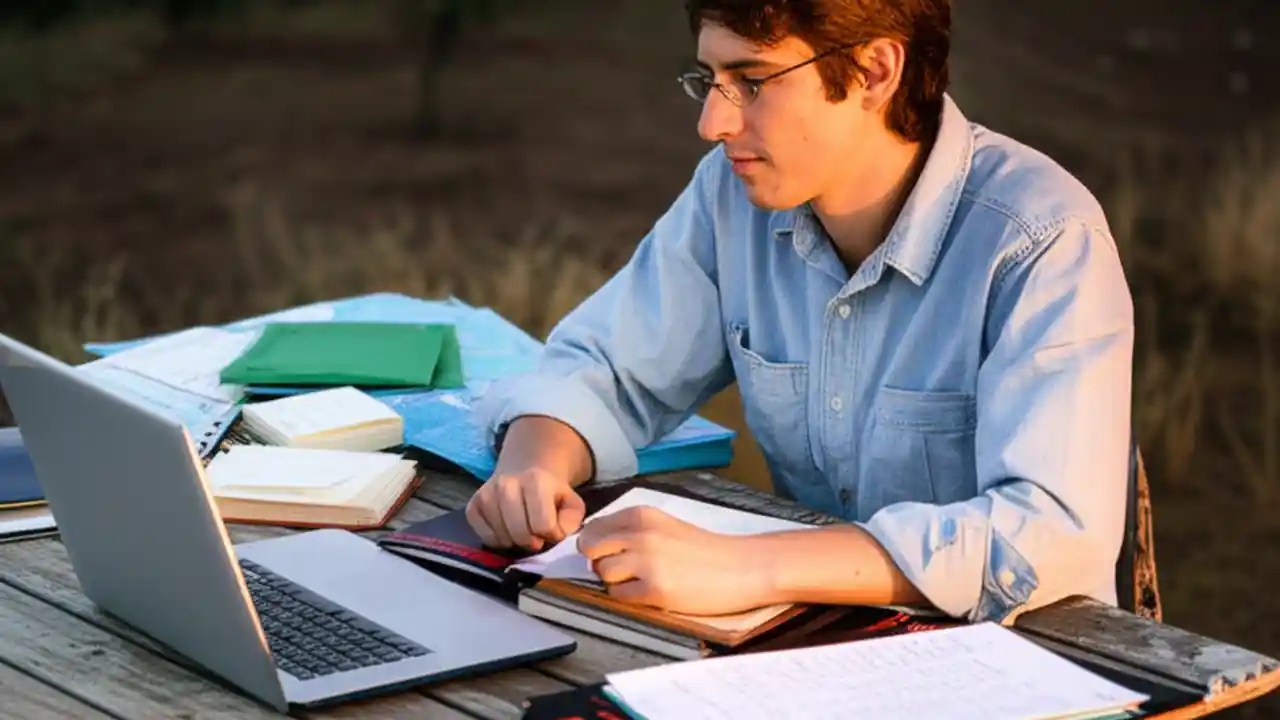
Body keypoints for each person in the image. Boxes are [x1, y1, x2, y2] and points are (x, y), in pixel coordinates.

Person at [465, 0, 1134, 624]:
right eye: (710, 80)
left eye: (752, 81)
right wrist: (535, 464)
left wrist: (751, 566)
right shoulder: (733, 196)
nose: (712, 124)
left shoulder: (1041, 240)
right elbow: (608, 366)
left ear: (874, 71)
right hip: (813, 644)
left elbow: (1050, 540)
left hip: (1017, 669)